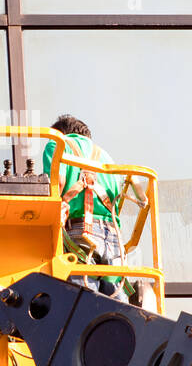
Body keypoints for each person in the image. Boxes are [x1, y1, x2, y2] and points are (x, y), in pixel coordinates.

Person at [42, 115, 129, 302]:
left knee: (83, 304)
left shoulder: (58, 144)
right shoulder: (107, 157)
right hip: (113, 236)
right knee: (118, 305)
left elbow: (56, 185)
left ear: (60, 133)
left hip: (81, 231)